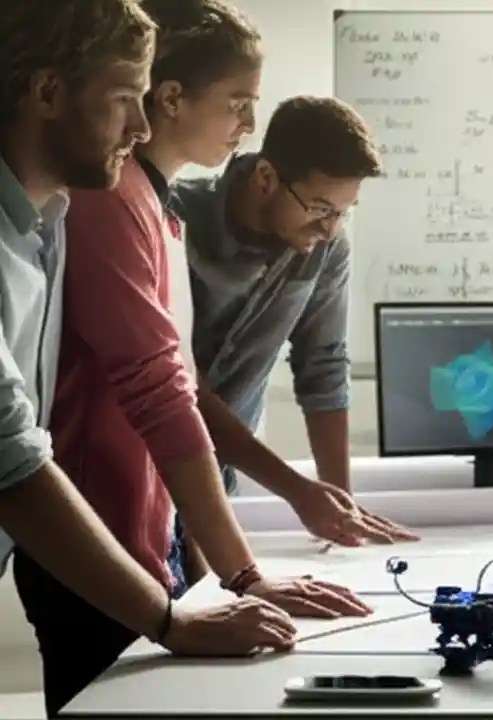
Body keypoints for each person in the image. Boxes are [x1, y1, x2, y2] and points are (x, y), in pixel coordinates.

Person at [30, 1, 372, 713]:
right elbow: (160, 391)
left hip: (145, 532)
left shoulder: (153, 204)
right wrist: (245, 574)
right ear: (171, 94)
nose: (247, 123)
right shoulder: (110, 196)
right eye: (238, 104)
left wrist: (218, 562)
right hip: (99, 536)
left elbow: (202, 381)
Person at [169, 94, 415, 553]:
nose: (330, 229)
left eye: (344, 212)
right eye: (321, 208)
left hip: (220, 484)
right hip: (131, 477)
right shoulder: (171, 217)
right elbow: (178, 386)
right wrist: (299, 492)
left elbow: (322, 366)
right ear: (266, 177)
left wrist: (342, 511)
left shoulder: (325, 248)